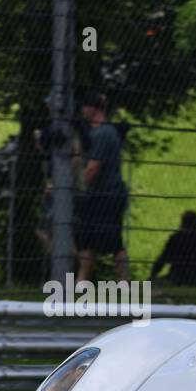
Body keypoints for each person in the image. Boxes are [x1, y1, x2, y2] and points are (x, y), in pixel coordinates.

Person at [75, 89, 130, 281]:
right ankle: (82, 283)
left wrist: (78, 188)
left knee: (110, 242)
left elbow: (93, 168)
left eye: (84, 106)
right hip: (109, 193)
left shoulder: (101, 134)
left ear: (93, 108)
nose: (82, 110)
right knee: (91, 241)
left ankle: (123, 284)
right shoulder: (108, 131)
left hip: (105, 194)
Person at [150, 210, 196, 286]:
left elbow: (163, 258)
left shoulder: (176, 238)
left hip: (176, 277)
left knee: (150, 285)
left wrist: (153, 275)